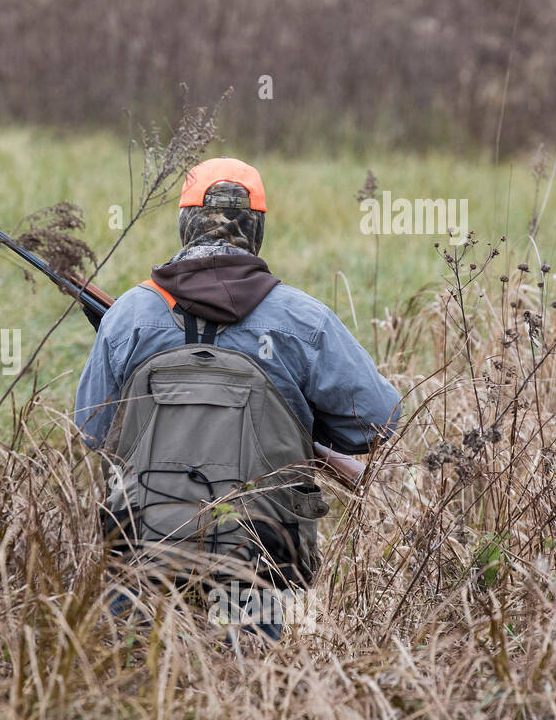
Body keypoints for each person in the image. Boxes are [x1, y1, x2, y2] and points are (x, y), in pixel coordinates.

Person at [75, 157, 401, 640]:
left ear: (185, 223)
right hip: (259, 544)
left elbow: (90, 429)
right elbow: (378, 422)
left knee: (131, 677)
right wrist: (302, 431)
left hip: (143, 537)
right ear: (258, 228)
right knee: (248, 681)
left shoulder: (128, 314)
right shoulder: (302, 318)